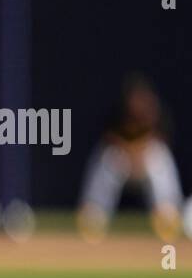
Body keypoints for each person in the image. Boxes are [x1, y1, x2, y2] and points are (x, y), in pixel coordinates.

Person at [76, 72, 183, 242]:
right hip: (124, 163)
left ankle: (167, 215)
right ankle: (94, 215)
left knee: (158, 157)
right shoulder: (118, 113)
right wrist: (131, 152)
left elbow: (162, 140)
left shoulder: (158, 114)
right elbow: (110, 139)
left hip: (145, 164)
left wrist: (139, 153)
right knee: (109, 158)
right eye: (135, 99)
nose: (138, 103)